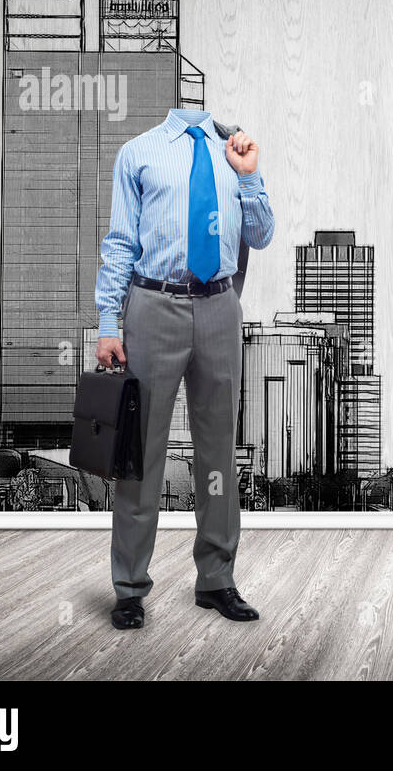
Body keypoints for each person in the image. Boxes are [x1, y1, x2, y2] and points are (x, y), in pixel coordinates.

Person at [94, 108, 274, 630]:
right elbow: (121, 242)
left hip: (219, 308)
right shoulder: (139, 152)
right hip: (153, 306)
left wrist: (250, 176)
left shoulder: (233, 151)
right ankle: (129, 587)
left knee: (217, 452)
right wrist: (110, 321)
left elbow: (260, 236)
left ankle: (216, 579)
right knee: (139, 453)